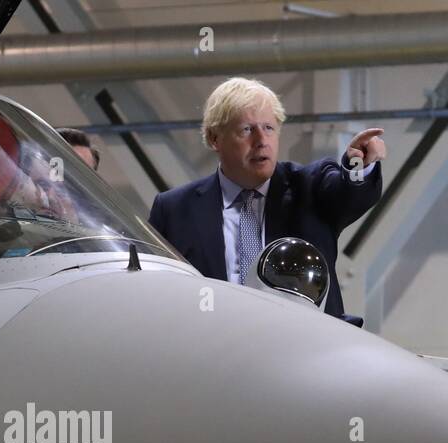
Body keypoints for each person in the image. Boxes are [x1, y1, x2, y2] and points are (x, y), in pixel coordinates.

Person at [147, 77, 384, 321]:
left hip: (305, 349)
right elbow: (157, 294)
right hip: (214, 350)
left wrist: (358, 166)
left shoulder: (310, 187)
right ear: (214, 138)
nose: (261, 141)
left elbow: (349, 194)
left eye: (269, 128)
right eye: (247, 130)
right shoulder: (174, 209)